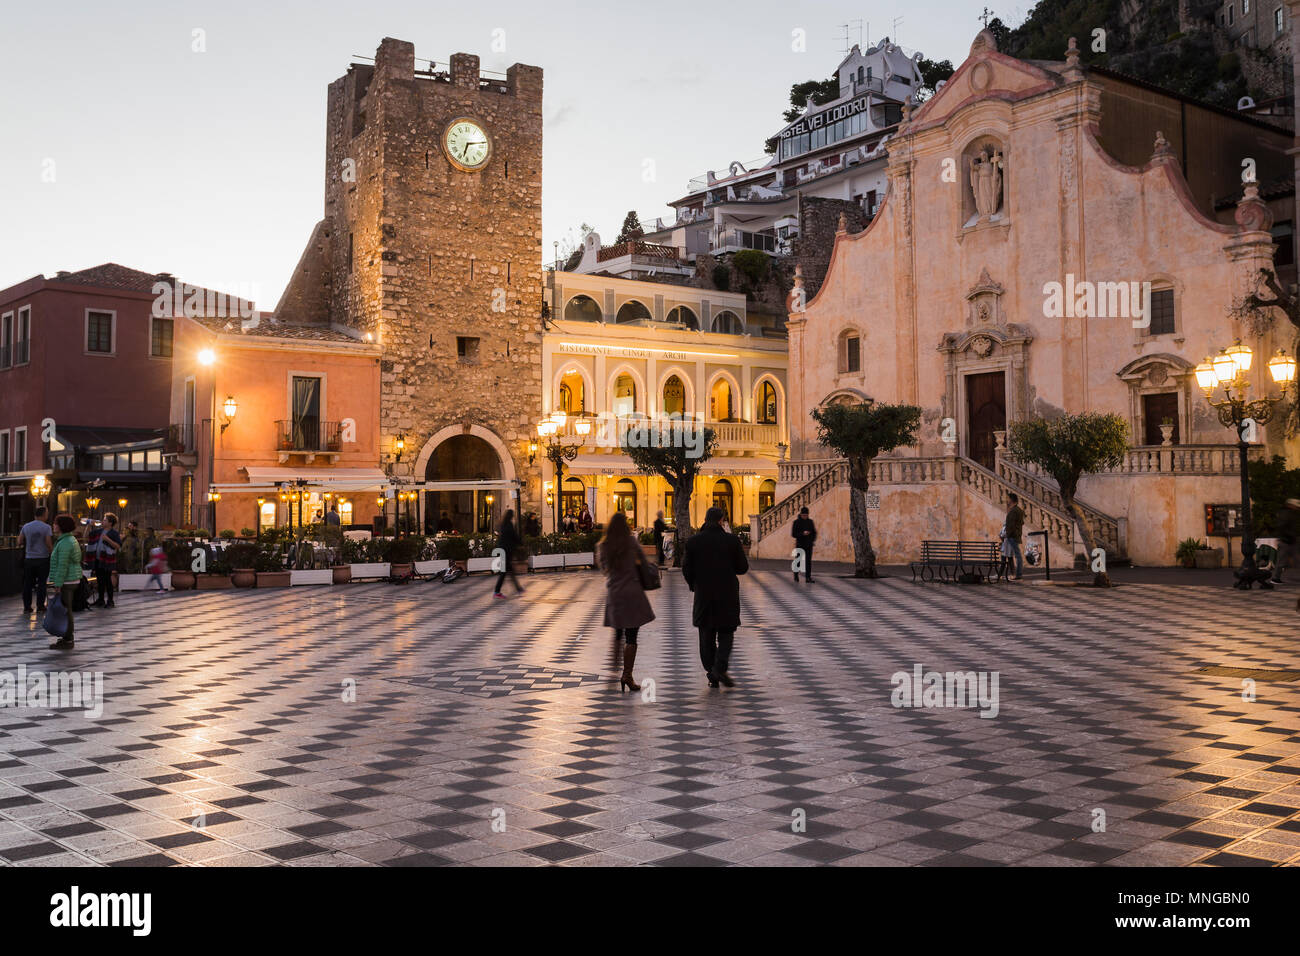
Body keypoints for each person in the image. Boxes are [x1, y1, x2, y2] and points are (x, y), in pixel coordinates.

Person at [682, 507, 749, 688]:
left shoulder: (694, 542)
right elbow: (743, 567)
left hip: (703, 594)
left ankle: (712, 672)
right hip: (727, 593)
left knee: (706, 635)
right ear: (721, 521)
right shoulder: (731, 541)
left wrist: (693, 584)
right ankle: (719, 668)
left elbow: (686, 569)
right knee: (726, 633)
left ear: (705, 519)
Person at [598, 512, 654, 691]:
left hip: (615, 593)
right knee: (631, 636)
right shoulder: (631, 542)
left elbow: (603, 568)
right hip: (632, 591)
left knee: (617, 630)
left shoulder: (603, 545)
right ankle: (627, 675)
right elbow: (644, 564)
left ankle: (614, 667)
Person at [47, 514, 83, 650]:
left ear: (61, 526)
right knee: (66, 610)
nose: (53, 526)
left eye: (55, 523)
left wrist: (58, 583)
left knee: (66, 611)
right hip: (70, 579)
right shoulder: (67, 540)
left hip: (67, 580)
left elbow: (62, 565)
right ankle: (66, 637)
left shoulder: (66, 542)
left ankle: (68, 640)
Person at [20, 506, 53, 616]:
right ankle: (40, 606)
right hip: (42, 559)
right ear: (44, 515)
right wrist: (52, 553)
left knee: (27, 583)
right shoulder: (47, 527)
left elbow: (19, 541)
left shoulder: (26, 526)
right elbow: (48, 543)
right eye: (47, 513)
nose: (47, 515)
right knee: (42, 583)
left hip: (29, 559)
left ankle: (27, 606)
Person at [492, 509, 525, 598]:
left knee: (509, 571)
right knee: (505, 571)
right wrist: (520, 543)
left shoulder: (502, 524)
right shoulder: (509, 525)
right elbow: (514, 536)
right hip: (507, 551)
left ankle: (518, 588)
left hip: (502, 550)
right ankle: (497, 591)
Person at [93, 513, 122, 608]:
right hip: (98, 559)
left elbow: (117, 546)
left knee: (107, 580)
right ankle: (100, 600)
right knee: (100, 580)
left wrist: (107, 539)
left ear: (110, 523)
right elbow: (88, 537)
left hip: (107, 560)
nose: (102, 521)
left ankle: (110, 601)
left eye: (105, 520)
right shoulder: (99, 531)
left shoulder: (114, 533)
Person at [1272, 498, 1299, 584]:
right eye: (1295, 506)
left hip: (1290, 540)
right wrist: (1288, 536)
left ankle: (1276, 578)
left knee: (1296, 559)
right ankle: (1275, 578)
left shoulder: (1290, 513)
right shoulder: (1285, 514)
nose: (1297, 508)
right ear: (1291, 505)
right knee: (1282, 561)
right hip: (1286, 540)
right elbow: (1282, 527)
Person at [792, 506, 817, 583]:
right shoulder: (796, 522)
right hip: (800, 544)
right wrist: (802, 534)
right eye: (804, 515)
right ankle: (796, 575)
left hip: (809, 545)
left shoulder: (810, 522)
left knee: (808, 562)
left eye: (806, 515)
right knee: (798, 561)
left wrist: (812, 540)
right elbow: (793, 534)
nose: (805, 516)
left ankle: (808, 577)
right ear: (801, 514)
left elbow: (814, 532)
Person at [1004, 493, 1025, 580]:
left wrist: (1007, 535)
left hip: (1012, 536)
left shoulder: (1014, 511)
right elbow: (1021, 523)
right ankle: (1015, 573)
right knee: (1012, 555)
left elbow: (1011, 525)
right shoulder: (1018, 510)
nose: (1007, 500)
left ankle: (1018, 574)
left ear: (1011, 500)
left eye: (1008, 498)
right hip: (1016, 534)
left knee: (1016, 555)